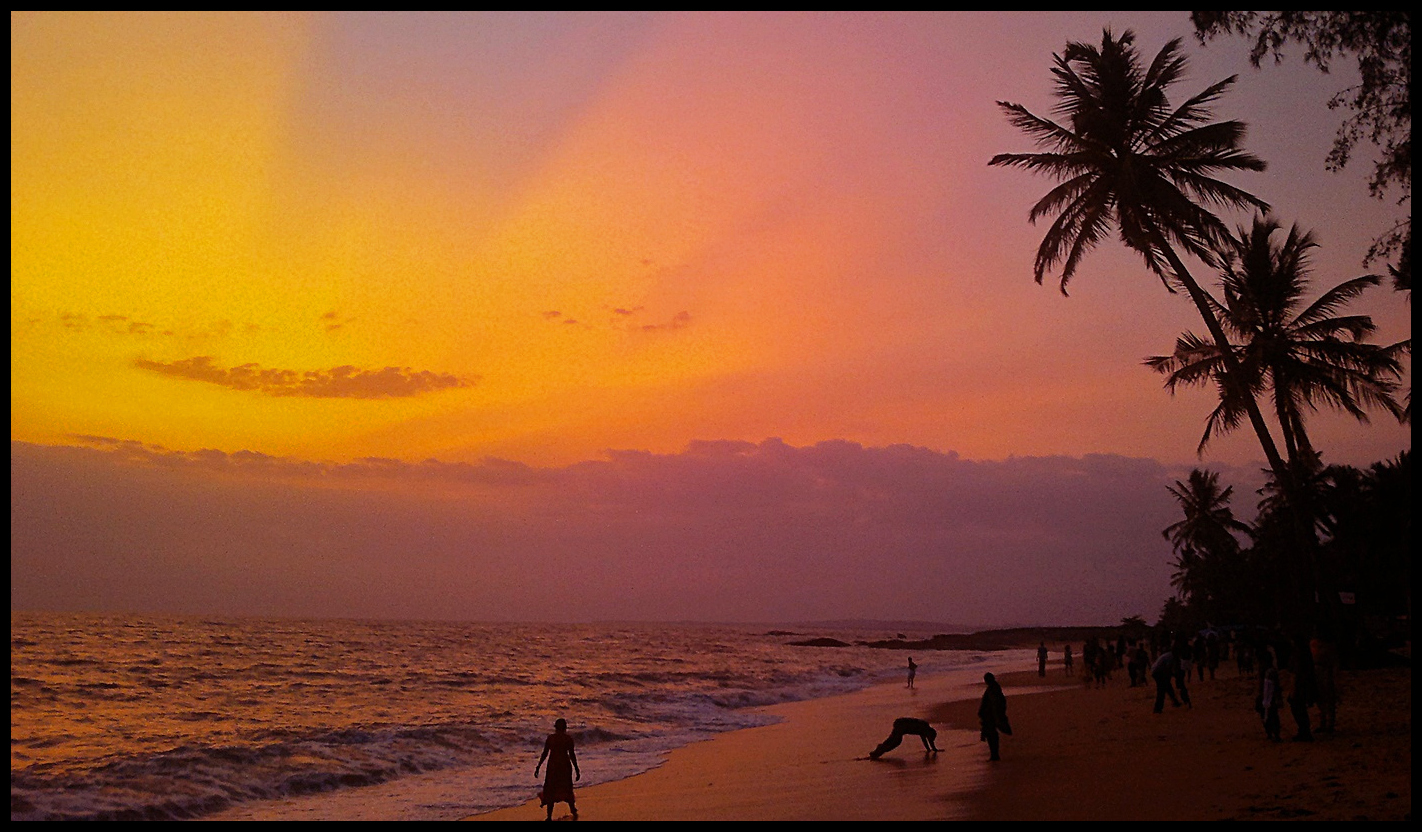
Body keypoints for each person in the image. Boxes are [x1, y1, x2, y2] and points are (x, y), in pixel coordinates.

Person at [534, 718, 580, 820]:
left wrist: (538, 766)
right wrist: (577, 769)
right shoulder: (568, 739)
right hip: (564, 766)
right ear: (565, 728)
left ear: (555, 728)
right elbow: (572, 755)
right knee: (567, 789)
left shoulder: (551, 738)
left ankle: (549, 816)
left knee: (551, 791)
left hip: (553, 767)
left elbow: (545, 754)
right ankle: (573, 810)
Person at [868, 716, 939, 759]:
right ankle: (877, 753)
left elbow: (925, 740)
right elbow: (928, 740)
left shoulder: (925, 728)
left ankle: (877, 751)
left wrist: (930, 749)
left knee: (891, 740)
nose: (931, 740)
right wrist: (933, 749)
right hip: (902, 725)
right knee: (895, 742)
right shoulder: (924, 727)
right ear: (930, 733)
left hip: (900, 723)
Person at [977, 672, 1011, 761]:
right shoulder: (994, 688)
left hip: (991, 716)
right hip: (991, 715)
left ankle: (994, 755)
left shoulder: (993, 689)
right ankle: (994, 754)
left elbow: (994, 704)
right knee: (991, 735)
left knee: (991, 735)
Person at [1150, 648, 1180, 713]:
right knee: (1161, 690)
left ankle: (1175, 702)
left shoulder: (1169, 655)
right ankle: (1157, 708)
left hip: (1157, 671)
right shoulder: (1171, 657)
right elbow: (1167, 668)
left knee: (1168, 687)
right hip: (1158, 672)